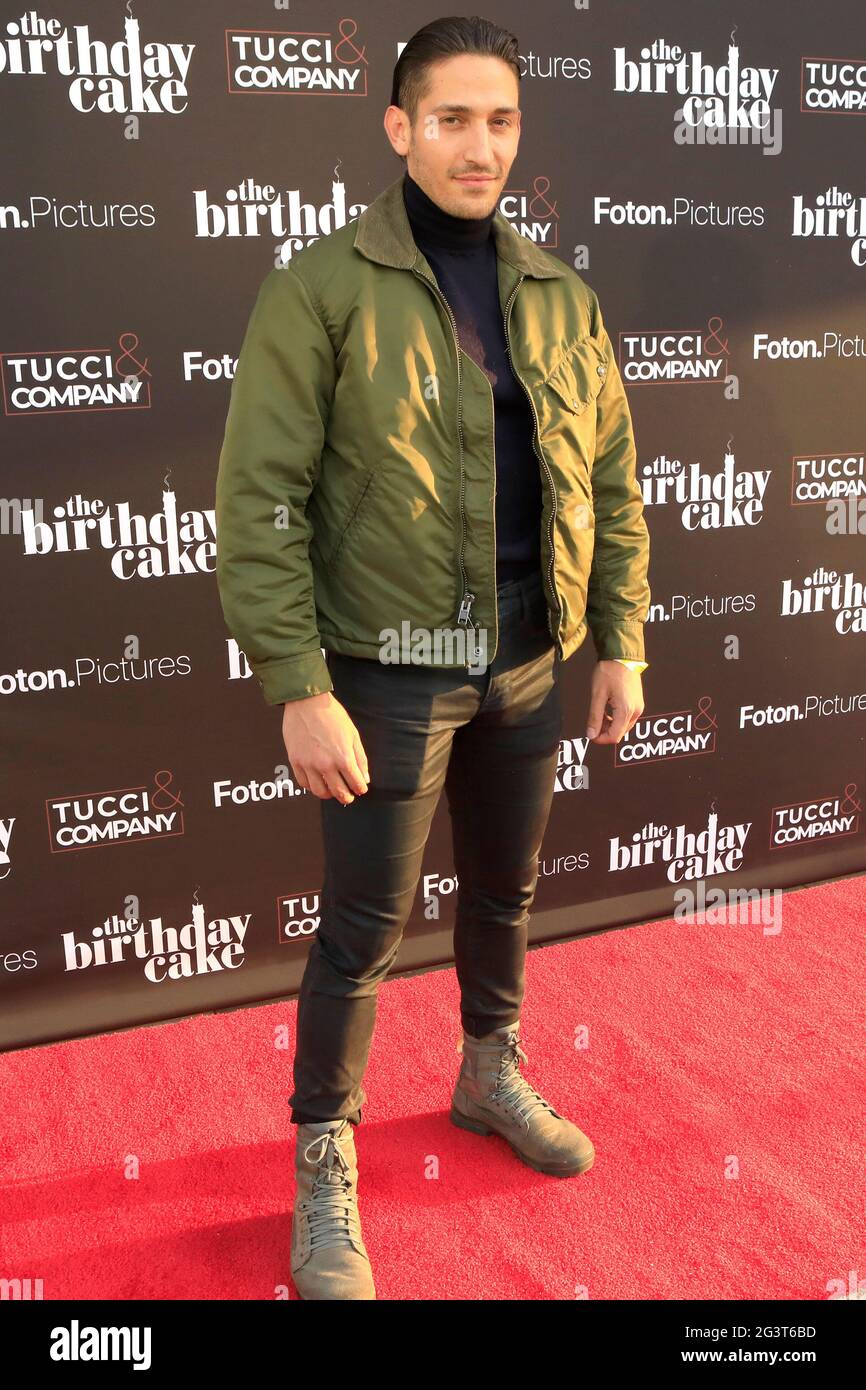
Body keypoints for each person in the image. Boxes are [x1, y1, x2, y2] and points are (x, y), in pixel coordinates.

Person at [215, 15, 650, 1301]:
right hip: (387, 671)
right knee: (362, 930)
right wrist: (299, 684)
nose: (478, 145)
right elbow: (259, 505)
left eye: (499, 119)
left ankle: (485, 1069)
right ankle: (323, 1157)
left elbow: (612, 485)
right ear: (399, 128)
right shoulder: (319, 289)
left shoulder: (559, 294)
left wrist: (616, 635)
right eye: (449, 118)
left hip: (527, 662)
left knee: (505, 897)